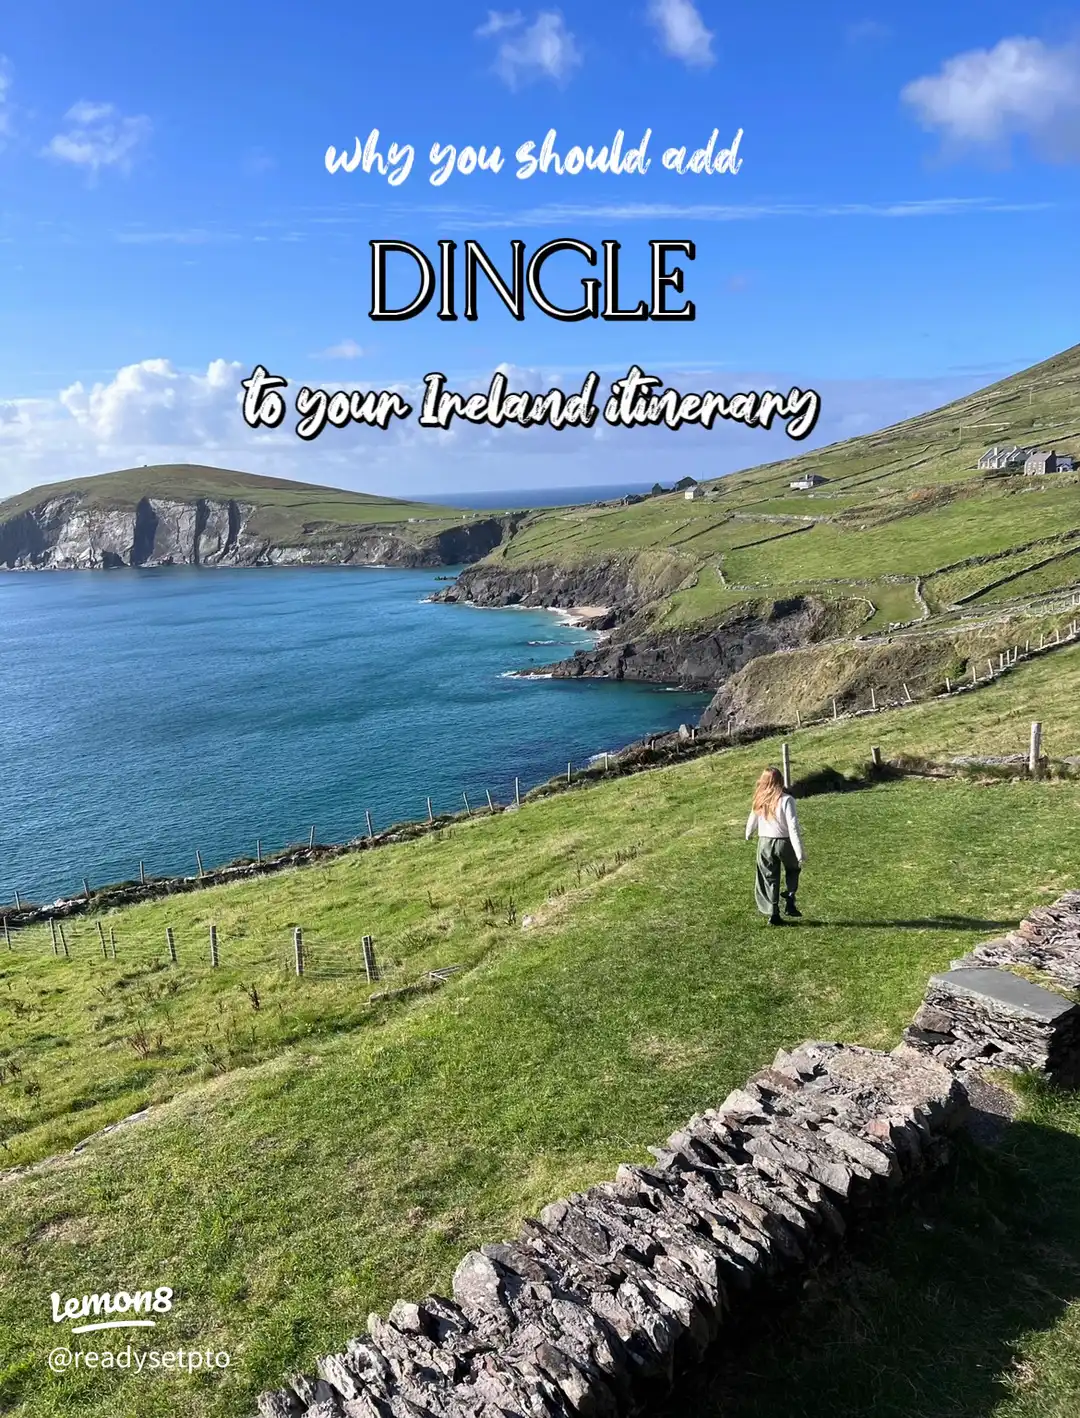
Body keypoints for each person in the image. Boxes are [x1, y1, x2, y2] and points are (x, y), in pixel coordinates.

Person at [745, 767, 805, 926]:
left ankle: (773, 912)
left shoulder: (760, 798)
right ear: (781, 780)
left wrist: (748, 832)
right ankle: (790, 897)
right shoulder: (786, 800)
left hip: (764, 842)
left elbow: (753, 817)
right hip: (784, 841)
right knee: (793, 869)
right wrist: (799, 852)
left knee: (769, 876)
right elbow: (793, 826)